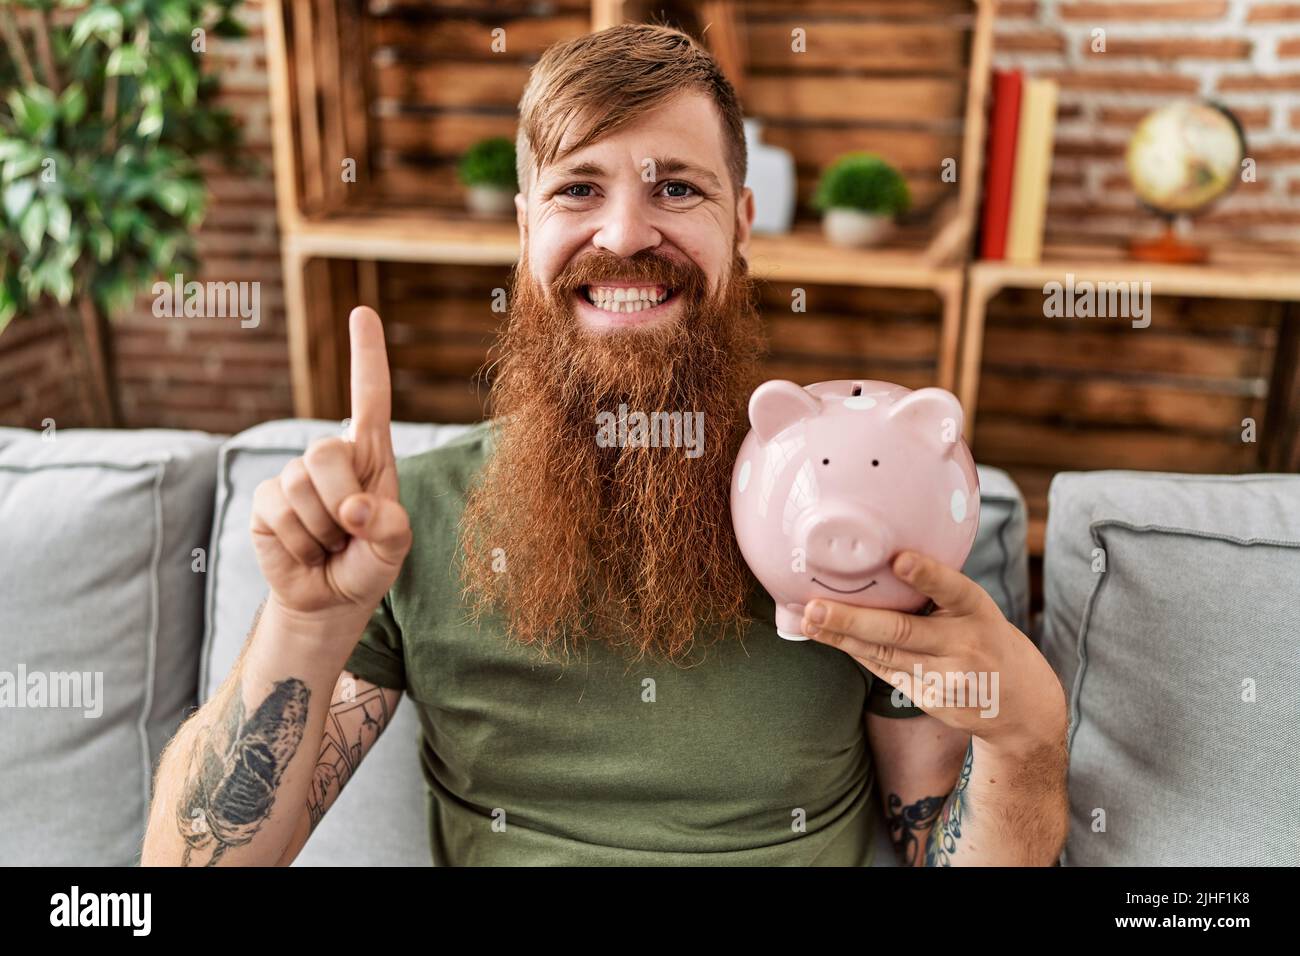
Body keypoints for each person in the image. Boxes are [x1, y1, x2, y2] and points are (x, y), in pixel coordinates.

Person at [142, 23, 1068, 867]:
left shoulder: (865, 513)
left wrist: (1024, 743)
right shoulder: (395, 527)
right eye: (578, 188)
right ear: (523, 227)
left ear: (741, 226)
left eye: (677, 188)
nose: (625, 233)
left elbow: (941, 853)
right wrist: (306, 623)